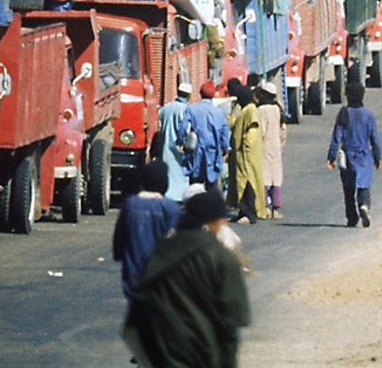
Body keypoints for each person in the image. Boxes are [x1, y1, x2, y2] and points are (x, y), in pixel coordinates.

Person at [123, 190, 251, 367]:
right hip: (203, 355)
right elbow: (232, 321)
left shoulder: (160, 252)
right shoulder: (222, 258)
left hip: (163, 352)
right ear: (213, 221)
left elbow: (139, 305)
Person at [112, 161, 181, 300]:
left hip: (133, 271)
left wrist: (118, 253)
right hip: (161, 274)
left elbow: (120, 235)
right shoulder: (170, 207)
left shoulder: (131, 204)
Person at [327, 82, 381, 228]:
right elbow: (374, 137)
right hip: (364, 155)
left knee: (348, 189)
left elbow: (336, 137)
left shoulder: (343, 113)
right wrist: (378, 157)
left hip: (347, 155)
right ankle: (364, 205)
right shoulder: (368, 114)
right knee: (363, 185)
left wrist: (331, 157)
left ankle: (352, 217)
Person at [227, 83, 264, 225]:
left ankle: (250, 213)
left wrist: (246, 145)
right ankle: (242, 211)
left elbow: (253, 130)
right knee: (239, 185)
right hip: (239, 156)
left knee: (248, 185)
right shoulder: (243, 110)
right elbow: (233, 125)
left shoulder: (251, 110)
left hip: (247, 157)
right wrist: (233, 110)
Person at [185, 81, 231, 193]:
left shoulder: (191, 109)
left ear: (200, 93)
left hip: (195, 153)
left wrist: (182, 143)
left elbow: (183, 129)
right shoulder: (219, 112)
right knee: (212, 184)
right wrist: (225, 149)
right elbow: (224, 134)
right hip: (213, 153)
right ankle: (210, 207)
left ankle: (195, 207)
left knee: (195, 183)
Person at [157, 82, 192, 202]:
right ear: (189, 96)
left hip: (166, 145)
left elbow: (158, 124)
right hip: (180, 146)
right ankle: (180, 196)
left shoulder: (166, 108)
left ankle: (167, 193)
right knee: (181, 173)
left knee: (168, 170)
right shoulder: (187, 109)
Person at [257, 83, 286, 219]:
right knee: (276, 178)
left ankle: (265, 207)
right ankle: (276, 208)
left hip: (264, 147)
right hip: (276, 147)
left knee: (264, 178)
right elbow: (283, 130)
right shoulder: (277, 109)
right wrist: (281, 144)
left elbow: (261, 131)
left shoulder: (262, 110)